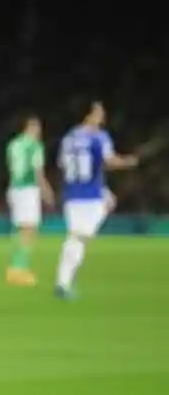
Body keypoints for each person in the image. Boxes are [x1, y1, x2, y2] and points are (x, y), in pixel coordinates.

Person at [54, 101, 139, 300]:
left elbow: (62, 164)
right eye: (99, 113)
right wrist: (128, 162)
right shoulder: (99, 137)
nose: (102, 117)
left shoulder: (69, 137)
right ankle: (63, 283)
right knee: (80, 238)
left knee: (77, 236)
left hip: (72, 193)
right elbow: (109, 161)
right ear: (88, 115)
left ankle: (64, 281)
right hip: (89, 196)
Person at [4, 115, 54, 286]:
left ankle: (14, 268)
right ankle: (19, 269)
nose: (39, 131)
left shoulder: (13, 144)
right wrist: (46, 191)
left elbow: (11, 167)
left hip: (14, 189)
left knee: (19, 229)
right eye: (37, 127)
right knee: (29, 230)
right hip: (28, 189)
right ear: (30, 128)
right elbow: (38, 172)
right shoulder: (35, 146)